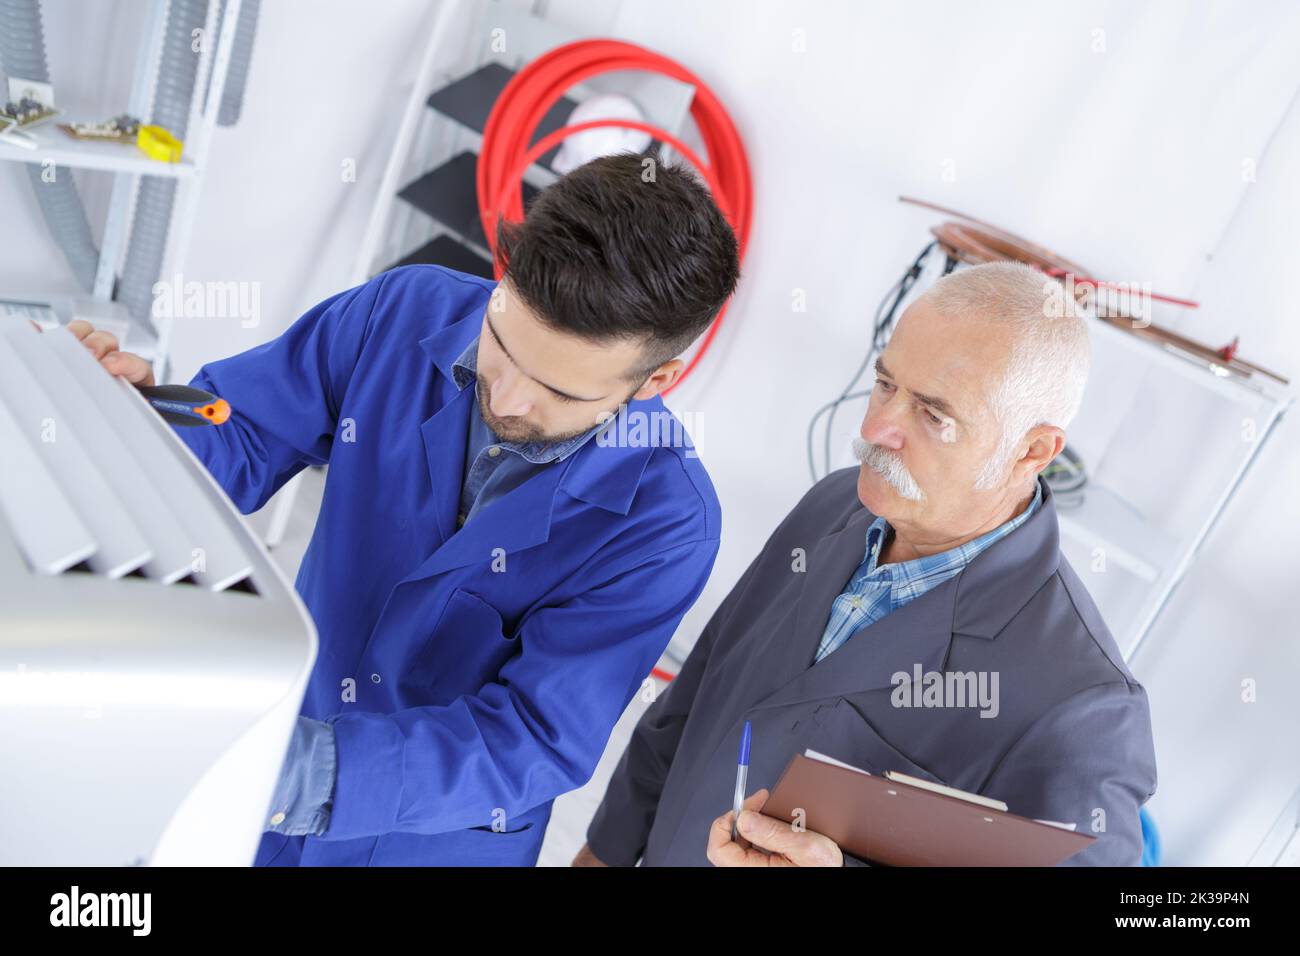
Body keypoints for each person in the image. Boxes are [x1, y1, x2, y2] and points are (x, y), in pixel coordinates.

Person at [71, 152, 740, 866]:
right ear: (502, 278)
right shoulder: (401, 312)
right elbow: (244, 433)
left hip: (429, 839)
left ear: (657, 379)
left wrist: (307, 776)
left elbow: (530, 738)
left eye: (560, 392)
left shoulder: (666, 523)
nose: (508, 400)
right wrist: (138, 430)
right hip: (278, 750)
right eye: (503, 346)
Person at [575, 261, 1157, 867]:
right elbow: (692, 703)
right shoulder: (833, 505)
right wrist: (600, 854)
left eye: (933, 415)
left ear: (1031, 451)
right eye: (886, 384)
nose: (878, 427)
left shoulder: (1083, 705)